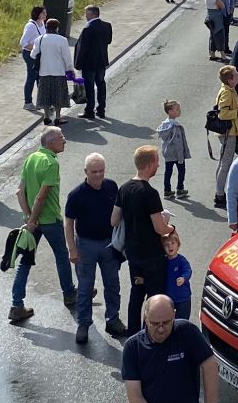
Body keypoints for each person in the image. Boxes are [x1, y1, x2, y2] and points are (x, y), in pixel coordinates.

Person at [122, 294, 219, 403]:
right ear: (145, 318)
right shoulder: (133, 347)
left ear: (174, 314)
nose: (161, 329)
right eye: (154, 324)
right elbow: (135, 396)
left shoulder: (187, 332)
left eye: (166, 323)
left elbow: (210, 365)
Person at [12, 126, 74, 327]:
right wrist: (33, 220)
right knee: (61, 256)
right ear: (50, 143)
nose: (64, 140)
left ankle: (16, 305)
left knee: (25, 261)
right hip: (49, 220)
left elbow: (20, 192)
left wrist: (28, 217)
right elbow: (42, 195)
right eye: (61, 138)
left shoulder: (31, 158)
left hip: (33, 221)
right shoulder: (51, 162)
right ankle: (69, 294)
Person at [66, 153, 125, 343]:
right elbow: (68, 223)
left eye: (101, 171)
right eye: (94, 172)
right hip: (85, 246)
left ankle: (112, 319)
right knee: (85, 287)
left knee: (112, 284)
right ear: (86, 172)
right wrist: (72, 249)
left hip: (109, 244)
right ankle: (84, 324)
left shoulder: (111, 186)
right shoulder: (76, 195)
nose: (99, 175)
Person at [118, 146, 175, 332]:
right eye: (157, 162)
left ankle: (133, 332)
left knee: (136, 292)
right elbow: (160, 228)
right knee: (154, 296)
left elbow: (113, 220)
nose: (159, 165)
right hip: (152, 255)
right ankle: (149, 333)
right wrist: (171, 227)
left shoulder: (124, 188)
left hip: (133, 254)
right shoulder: (149, 193)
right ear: (150, 165)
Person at [212, 65, 238, 207]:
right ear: (230, 80)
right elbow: (223, 114)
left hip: (229, 133)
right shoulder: (228, 93)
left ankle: (219, 192)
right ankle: (220, 196)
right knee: (225, 164)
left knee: (223, 162)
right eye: (236, 74)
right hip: (229, 133)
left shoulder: (229, 90)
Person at [76, 5, 113, 120]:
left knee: (89, 87)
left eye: (86, 13)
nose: (85, 15)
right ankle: (101, 109)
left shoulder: (88, 28)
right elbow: (109, 41)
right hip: (102, 61)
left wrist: (78, 64)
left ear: (92, 14)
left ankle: (89, 110)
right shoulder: (107, 26)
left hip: (89, 63)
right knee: (101, 85)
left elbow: (82, 48)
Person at [33, 22, 73, 127]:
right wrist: (70, 69)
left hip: (44, 72)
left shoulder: (40, 39)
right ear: (57, 28)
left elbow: (33, 55)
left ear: (46, 27)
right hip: (58, 72)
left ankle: (46, 117)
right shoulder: (62, 40)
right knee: (58, 96)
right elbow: (67, 58)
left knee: (45, 95)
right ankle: (58, 117)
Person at [157, 99, 191, 199]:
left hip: (168, 153)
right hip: (177, 154)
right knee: (181, 171)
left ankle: (167, 191)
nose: (179, 111)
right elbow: (178, 143)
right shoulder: (175, 127)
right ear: (170, 111)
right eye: (177, 109)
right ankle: (180, 189)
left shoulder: (164, 125)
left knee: (168, 172)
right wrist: (181, 157)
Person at [18, 6, 46, 110]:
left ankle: (42, 101)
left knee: (40, 77)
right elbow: (23, 43)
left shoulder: (42, 23)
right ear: (38, 14)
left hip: (39, 55)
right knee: (31, 77)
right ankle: (28, 103)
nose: (45, 15)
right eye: (44, 13)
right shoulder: (31, 26)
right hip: (30, 55)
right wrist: (36, 48)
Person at [163, 229, 195, 318]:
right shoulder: (163, 261)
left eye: (173, 243)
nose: (170, 247)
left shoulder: (181, 260)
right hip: (168, 297)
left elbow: (188, 270)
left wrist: (183, 278)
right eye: (167, 245)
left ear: (178, 245)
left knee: (182, 320)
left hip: (183, 297)